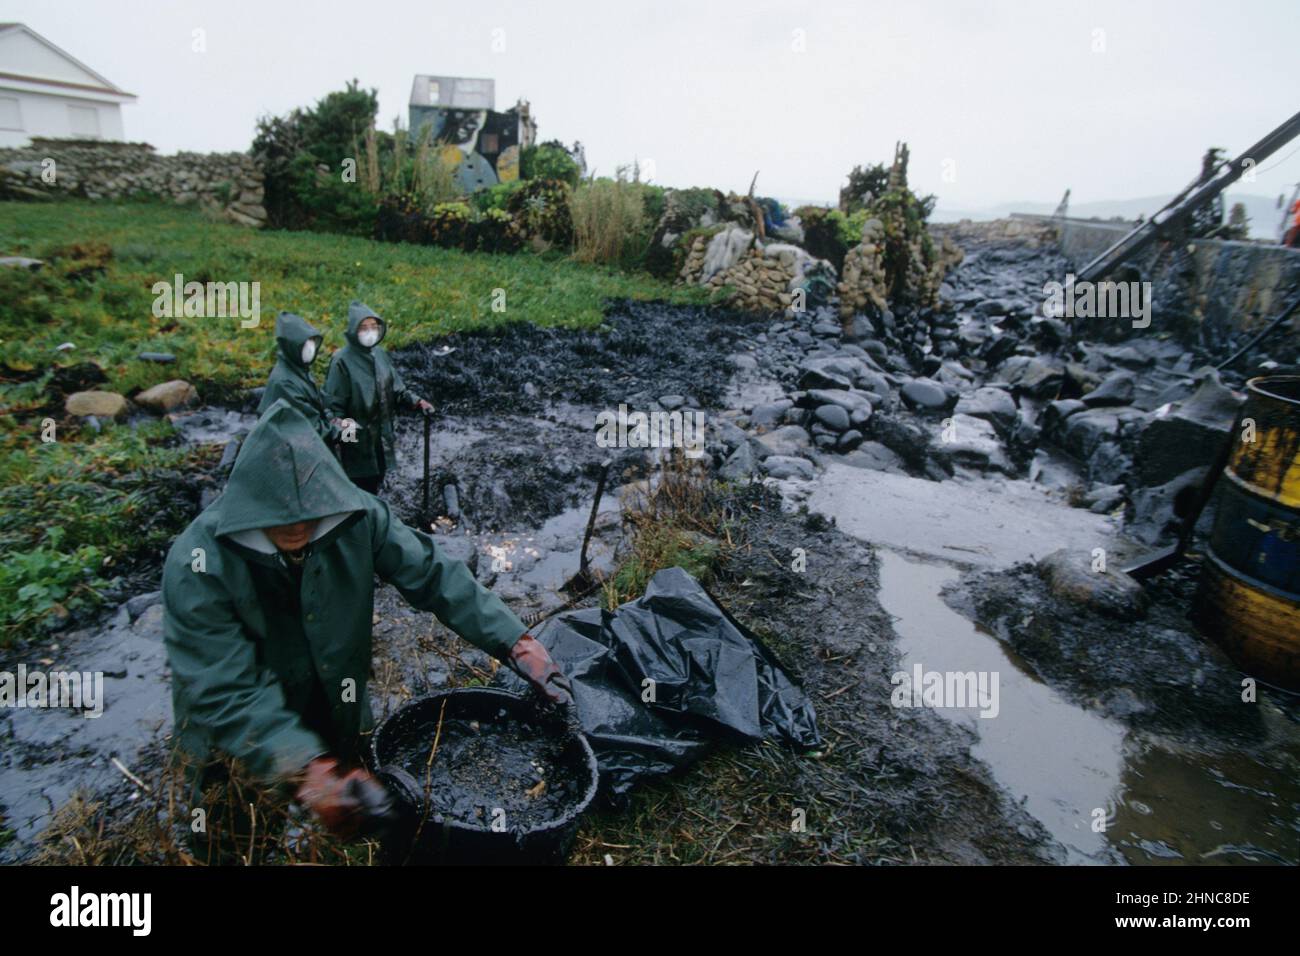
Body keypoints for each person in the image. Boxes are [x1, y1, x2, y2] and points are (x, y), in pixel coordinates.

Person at [162, 400, 570, 853]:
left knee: (353, 818)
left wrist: (515, 641)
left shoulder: (359, 518)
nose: (297, 526)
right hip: (237, 736)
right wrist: (304, 768)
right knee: (235, 839)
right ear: (249, 505)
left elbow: (434, 574)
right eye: (277, 516)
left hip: (334, 701)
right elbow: (224, 688)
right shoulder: (197, 564)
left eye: (309, 512)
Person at [323, 301, 434, 494]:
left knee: (376, 481)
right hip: (355, 442)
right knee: (358, 488)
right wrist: (346, 436)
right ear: (354, 330)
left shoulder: (380, 355)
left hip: (381, 438)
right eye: (364, 328)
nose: (370, 332)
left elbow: (397, 390)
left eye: (374, 327)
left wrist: (417, 401)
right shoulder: (341, 361)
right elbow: (332, 407)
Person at [257, 311, 337, 443]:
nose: (311, 347)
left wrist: (332, 418)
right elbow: (309, 428)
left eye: (312, 340)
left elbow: (317, 405)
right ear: (291, 346)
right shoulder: (284, 382)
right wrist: (341, 430)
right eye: (304, 343)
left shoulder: (299, 369)